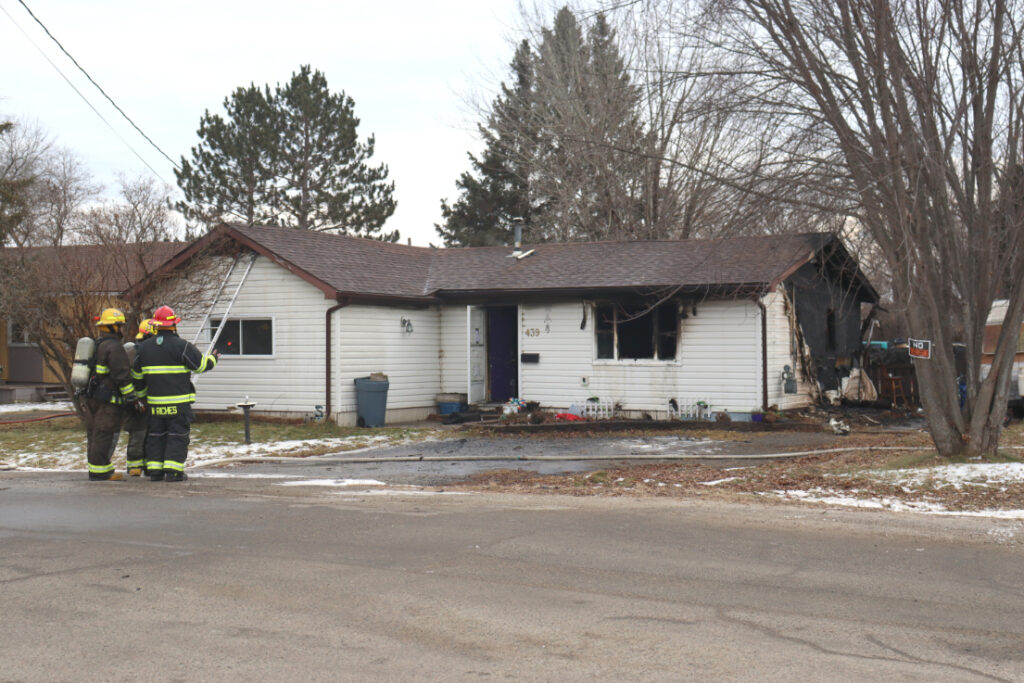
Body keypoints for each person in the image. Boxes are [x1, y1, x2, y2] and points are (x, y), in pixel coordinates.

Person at [133, 305, 219, 482]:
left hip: (155, 404)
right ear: (174, 325)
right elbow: (201, 366)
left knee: (155, 435)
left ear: (156, 325)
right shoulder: (182, 346)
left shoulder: (143, 349)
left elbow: (137, 377)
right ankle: (173, 472)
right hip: (178, 405)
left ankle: (155, 472)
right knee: (177, 435)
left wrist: (142, 397)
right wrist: (213, 359)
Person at [82, 308, 143, 481]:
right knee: (104, 433)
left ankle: (96, 469)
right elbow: (122, 375)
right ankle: (100, 472)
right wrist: (131, 398)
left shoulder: (98, 344)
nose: (122, 329)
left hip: (92, 397)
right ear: (113, 327)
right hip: (107, 401)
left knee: (94, 434)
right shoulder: (114, 347)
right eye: (120, 326)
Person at [123, 318, 156, 476]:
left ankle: (149, 466)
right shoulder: (133, 353)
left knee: (150, 434)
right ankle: (134, 467)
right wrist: (133, 399)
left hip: (151, 400)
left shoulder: (151, 352)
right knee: (138, 433)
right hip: (136, 401)